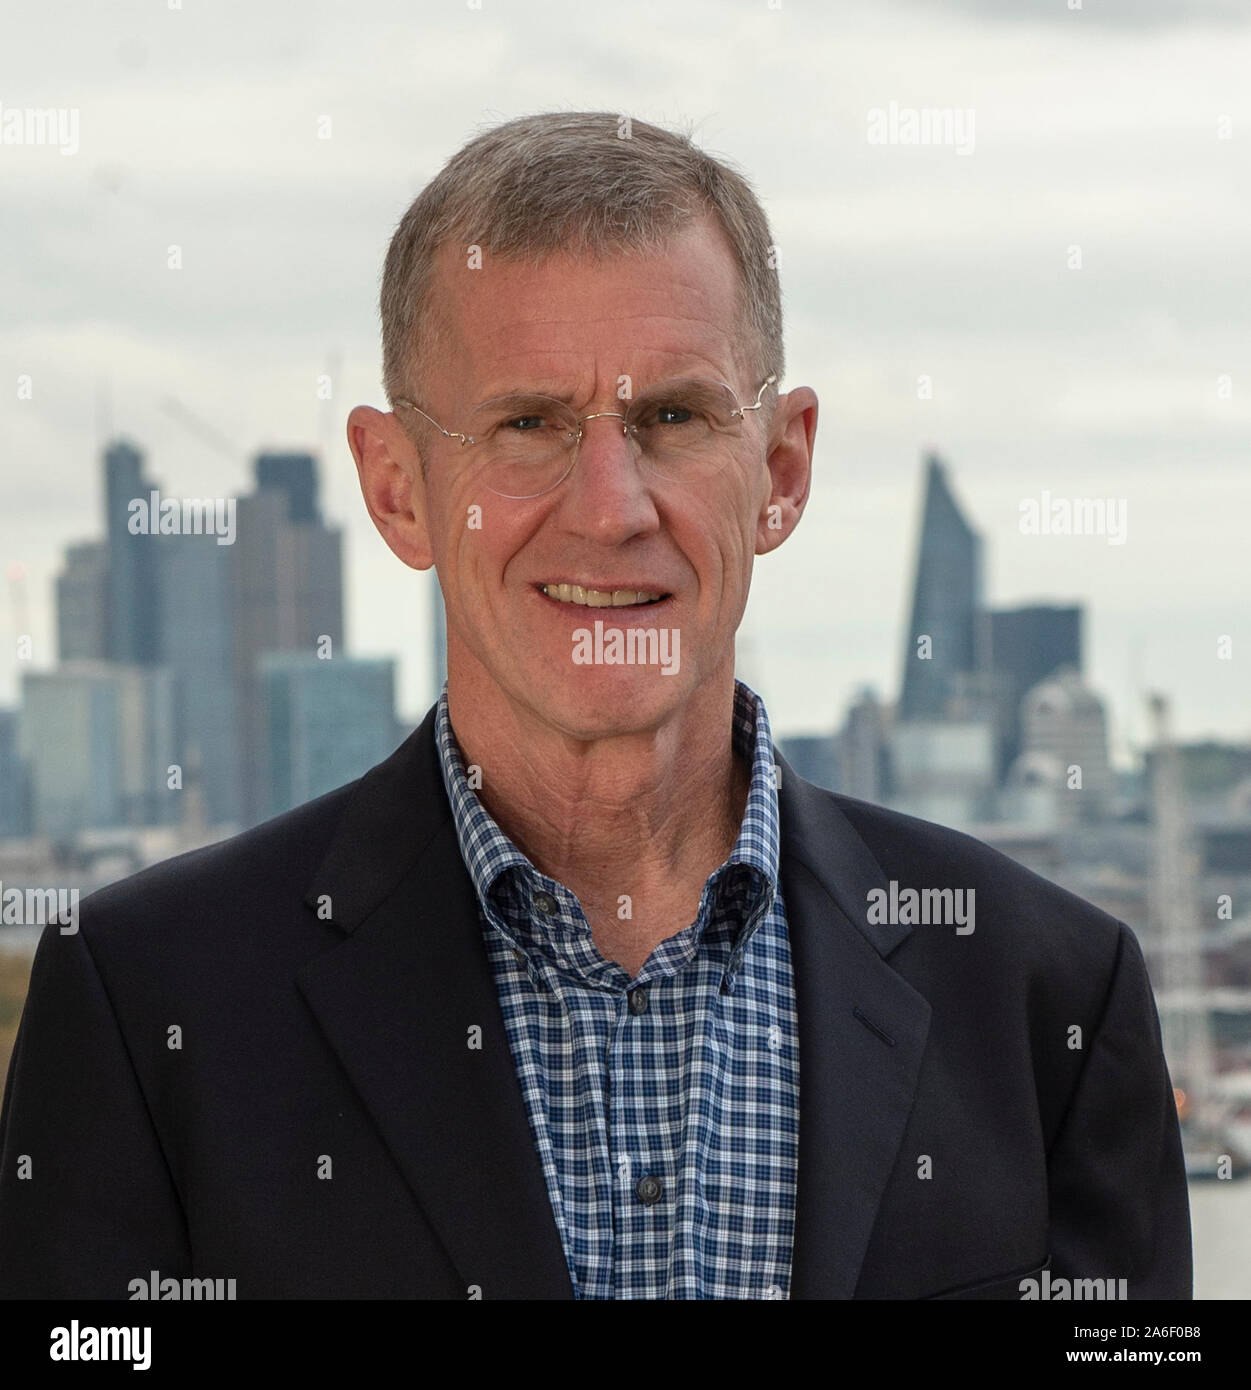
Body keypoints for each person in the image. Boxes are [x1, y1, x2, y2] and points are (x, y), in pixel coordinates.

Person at [0, 112, 1190, 1300]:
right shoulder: (150, 1005)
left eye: (674, 416)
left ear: (781, 471)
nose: (611, 506)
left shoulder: (1050, 1003)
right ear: (398, 489)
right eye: (527, 425)